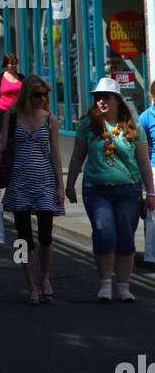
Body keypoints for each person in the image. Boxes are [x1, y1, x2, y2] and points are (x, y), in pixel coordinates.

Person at [66, 76, 155, 302]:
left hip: (128, 190)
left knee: (125, 238)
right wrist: (69, 184)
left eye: (105, 97)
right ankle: (105, 284)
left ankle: (124, 286)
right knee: (104, 234)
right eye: (97, 98)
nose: (101, 102)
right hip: (96, 190)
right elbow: (77, 157)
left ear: (117, 100)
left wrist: (151, 193)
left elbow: (144, 163)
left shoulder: (133, 125)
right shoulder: (88, 123)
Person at [0, 75, 65, 303]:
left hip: (44, 183)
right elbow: (1, 147)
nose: (41, 99)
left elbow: (56, 154)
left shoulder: (50, 119)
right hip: (19, 183)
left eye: (44, 95)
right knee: (22, 239)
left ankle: (44, 277)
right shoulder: (12, 118)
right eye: (36, 95)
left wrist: (61, 185)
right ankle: (31, 285)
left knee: (46, 236)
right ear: (26, 96)